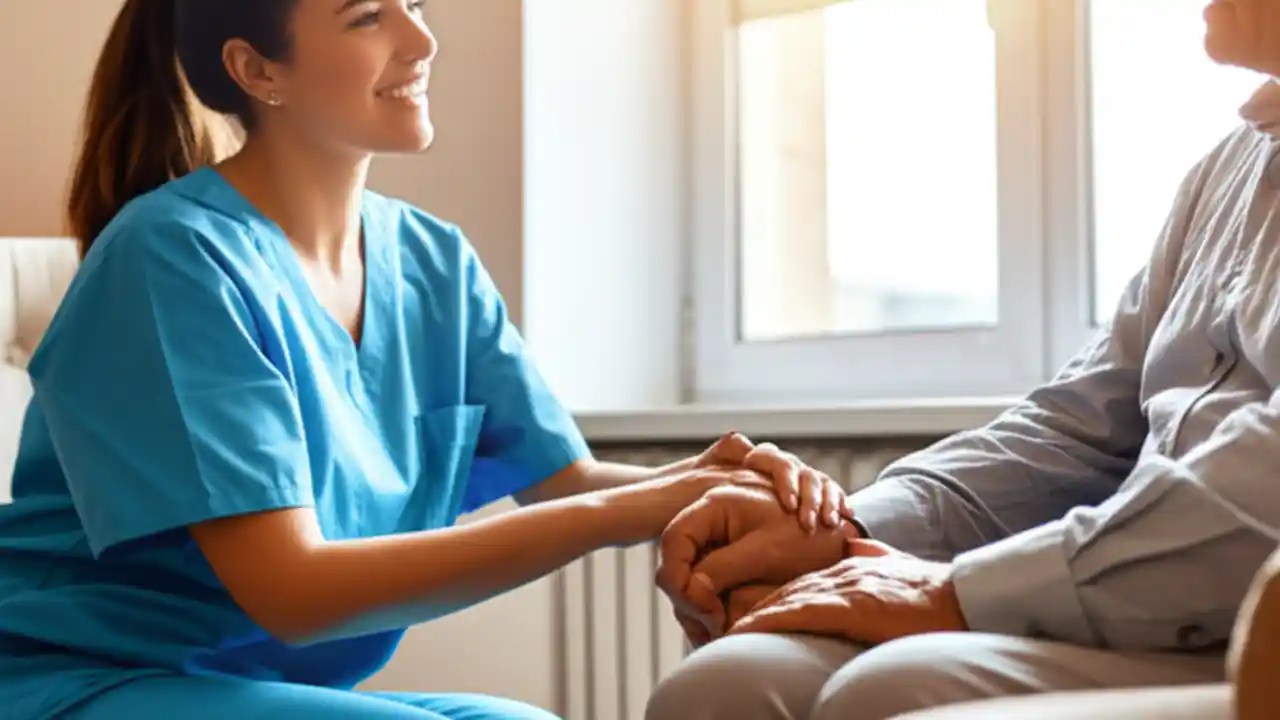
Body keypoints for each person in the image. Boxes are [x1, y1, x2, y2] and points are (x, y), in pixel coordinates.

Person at [0, 2, 857, 719]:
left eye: (414, 1)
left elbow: (565, 481)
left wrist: (720, 481)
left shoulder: (431, 262)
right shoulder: (172, 260)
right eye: (369, 16)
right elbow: (291, 590)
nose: (421, 38)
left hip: (256, 688)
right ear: (260, 70)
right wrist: (637, 511)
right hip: (83, 679)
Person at [648, 1, 1280, 719]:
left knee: (887, 698)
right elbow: (1076, 432)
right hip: (1151, 617)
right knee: (725, 685)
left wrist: (956, 593)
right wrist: (848, 533)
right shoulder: (1223, 173)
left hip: (1257, 636)